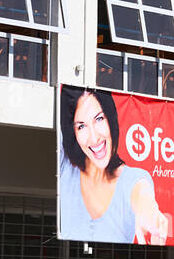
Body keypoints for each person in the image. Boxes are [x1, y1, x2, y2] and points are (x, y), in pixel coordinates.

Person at [58, 88, 167, 244]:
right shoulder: (65, 166)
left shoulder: (133, 179)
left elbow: (143, 199)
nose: (94, 138)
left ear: (110, 117)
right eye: (81, 126)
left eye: (99, 119)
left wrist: (150, 217)